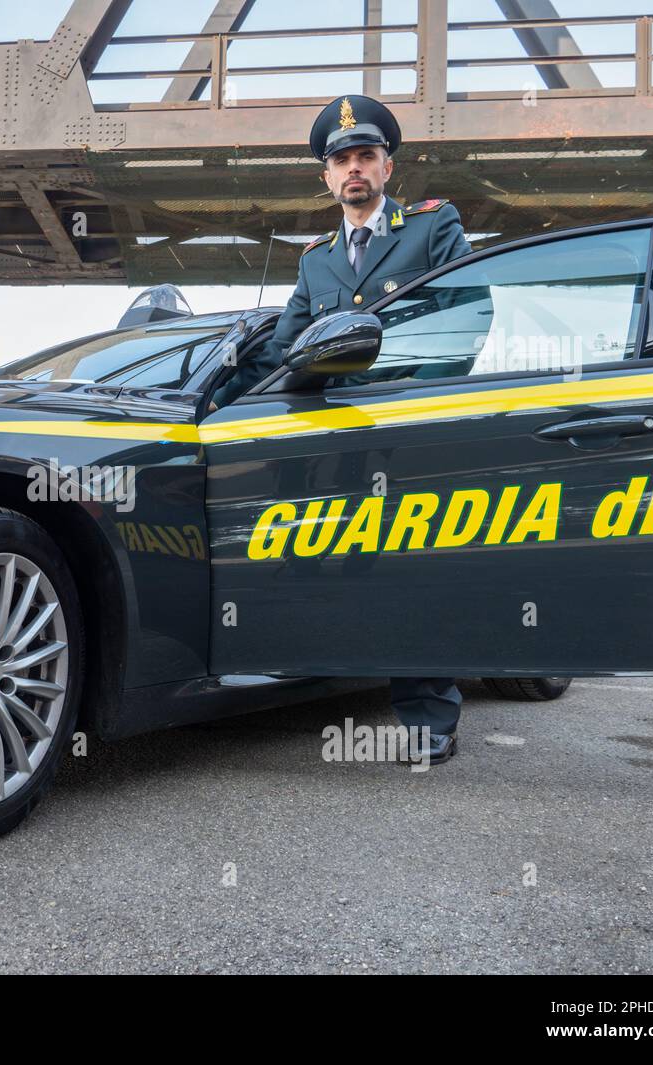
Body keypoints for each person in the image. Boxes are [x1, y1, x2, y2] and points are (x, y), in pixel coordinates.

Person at [217, 94, 473, 765]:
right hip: (338, 442)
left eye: (365, 155)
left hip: (412, 428)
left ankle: (428, 717)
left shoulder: (431, 227)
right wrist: (222, 402)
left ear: (387, 166)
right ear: (326, 178)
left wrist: (409, 387)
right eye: (341, 160)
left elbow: (468, 315)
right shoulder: (315, 260)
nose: (354, 169)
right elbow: (283, 349)